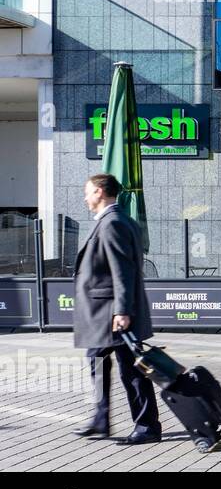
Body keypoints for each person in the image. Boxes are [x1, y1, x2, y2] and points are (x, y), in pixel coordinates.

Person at [72, 173, 162, 445]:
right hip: (107, 313)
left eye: (88, 192)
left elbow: (122, 271)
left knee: (132, 370)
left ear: (100, 192)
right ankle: (101, 419)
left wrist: (122, 311)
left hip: (114, 314)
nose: (85, 197)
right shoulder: (119, 220)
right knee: (99, 361)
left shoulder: (111, 223)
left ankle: (147, 427)